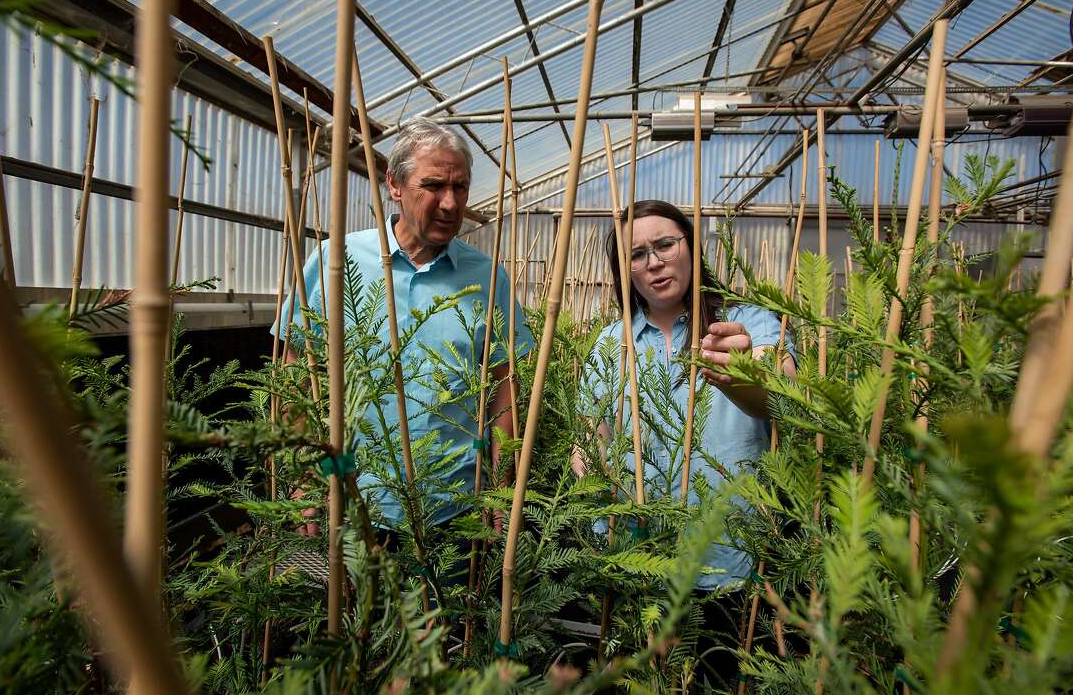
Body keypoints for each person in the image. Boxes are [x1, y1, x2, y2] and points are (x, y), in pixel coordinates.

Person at [275, 117, 534, 542]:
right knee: (361, 607)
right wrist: (306, 474)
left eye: (461, 187)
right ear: (394, 184)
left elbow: (505, 386)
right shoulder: (337, 259)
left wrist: (501, 488)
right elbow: (296, 374)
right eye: (433, 186)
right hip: (353, 497)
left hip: (455, 506)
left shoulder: (488, 278)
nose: (451, 204)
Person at [573, 199, 795, 685]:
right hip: (637, 561)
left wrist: (744, 374)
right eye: (636, 254)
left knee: (721, 677)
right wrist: (600, 524)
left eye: (665, 244)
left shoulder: (747, 324)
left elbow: (781, 397)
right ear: (623, 271)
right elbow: (589, 444)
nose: (652, 262)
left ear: (692, 249)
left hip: (730, 560)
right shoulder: (612, 342)